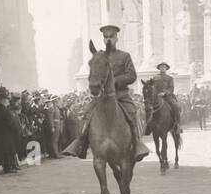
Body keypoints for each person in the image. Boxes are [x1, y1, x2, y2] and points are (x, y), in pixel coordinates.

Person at [63, 23, 150, 162]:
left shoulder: (124, 56)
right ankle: (81, 143)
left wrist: (114, 81)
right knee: (87, 112)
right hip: (102, 97)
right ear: (103, 39)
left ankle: (137, 144)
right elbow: (94, 73)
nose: (108, 39)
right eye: (106, 37)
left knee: (132, 111)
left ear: (116, 38)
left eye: (112, 36)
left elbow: (132, 75)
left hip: (120, 95)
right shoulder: (98, 56)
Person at [144, 61, 182, 136]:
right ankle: (148, 126)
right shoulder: (155, 78)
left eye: (164, 67)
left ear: (166, 69)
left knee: (176, 107)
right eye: (161, 67)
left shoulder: (170, 78)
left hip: (167, 97)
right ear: (159, 68)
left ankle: (177, 126)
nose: (162, 68)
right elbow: (150, 86)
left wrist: (164, 93)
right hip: (156, 97)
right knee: (147, 107)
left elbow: (171, 88)